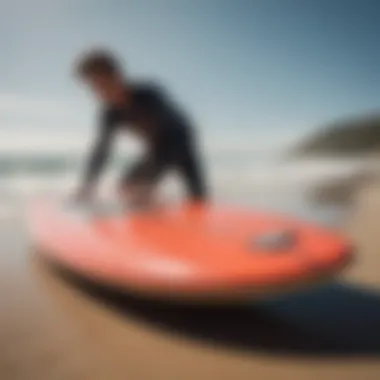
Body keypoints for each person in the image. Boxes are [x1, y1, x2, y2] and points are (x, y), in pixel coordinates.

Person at [73, 49, 208, 207]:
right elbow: (101, 150)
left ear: (117, 76)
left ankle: (165, 209)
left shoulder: (149, 95)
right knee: (128, 188)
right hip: (157, 148)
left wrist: (145, 181)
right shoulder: (110, 114)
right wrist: (88, 185)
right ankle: (157, 217)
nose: (99, 92)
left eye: (101, 84)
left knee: (198, 201)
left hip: (182, 142)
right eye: (94, 88)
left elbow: (175, 131)